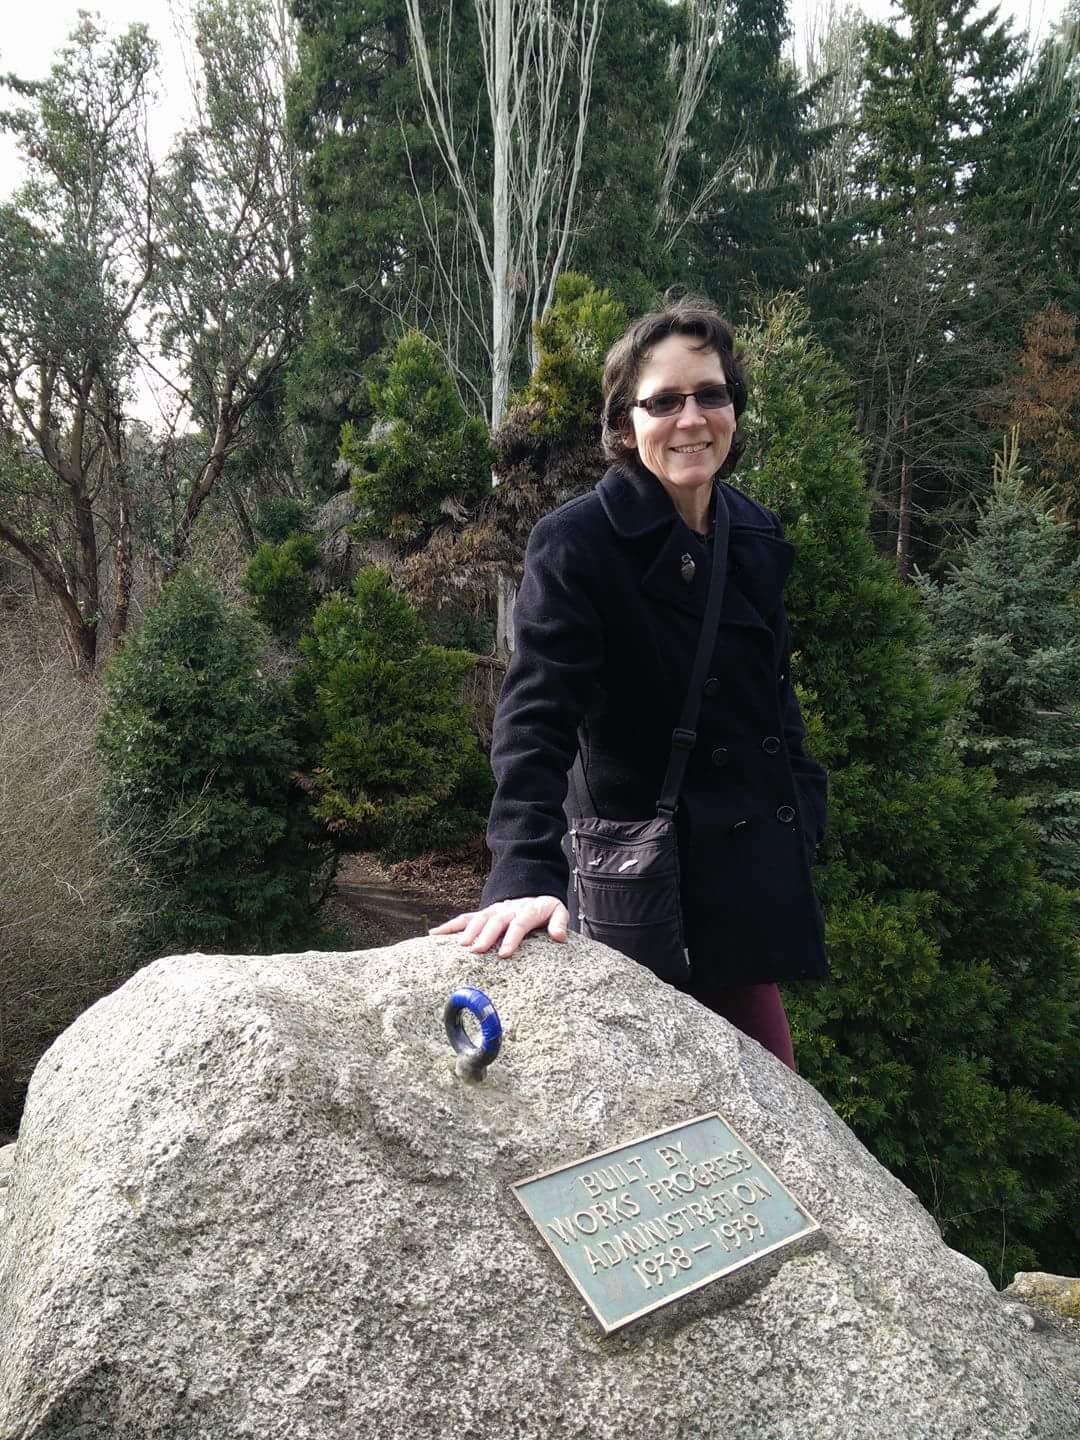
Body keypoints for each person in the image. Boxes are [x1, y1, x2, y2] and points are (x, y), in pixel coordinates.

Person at [431, 295, 827, 1069]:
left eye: (711, 394)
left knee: (772, 1102)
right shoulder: (580, 542)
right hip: (637, 890)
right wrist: (522, 870)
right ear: (625, 424)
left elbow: (772, 698)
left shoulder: (754, 534)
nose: (691, 419)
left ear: (734, 411)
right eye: (665, 401)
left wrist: (803, 801)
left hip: (739, 891)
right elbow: (535, 720)